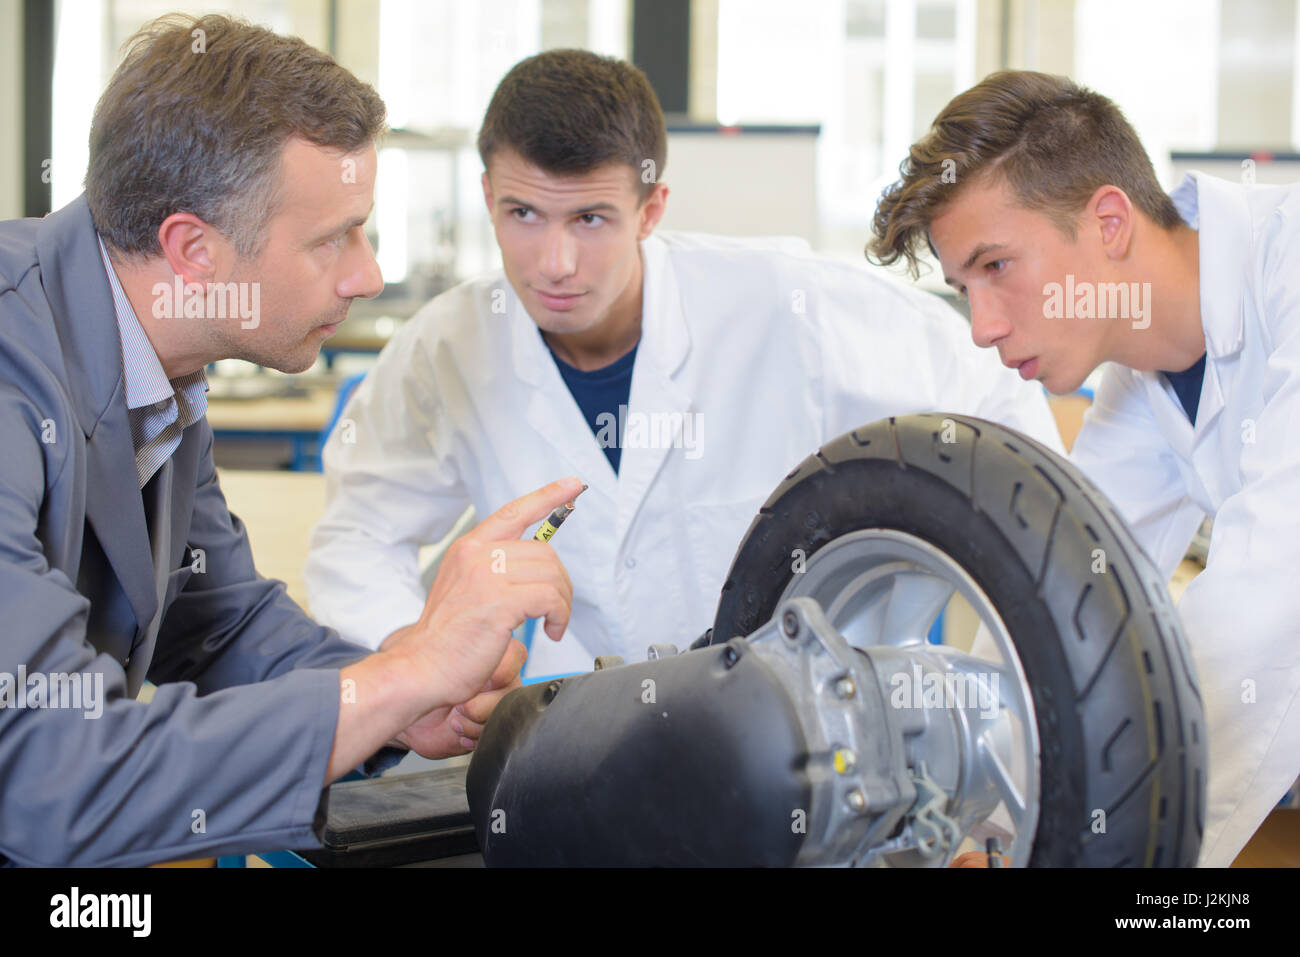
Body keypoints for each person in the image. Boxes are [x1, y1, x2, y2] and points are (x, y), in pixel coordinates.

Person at [0, 14, 575, 867]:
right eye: (331, 238)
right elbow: (53, 772)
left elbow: (223, 627)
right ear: (192, 250)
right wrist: (395, 680)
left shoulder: (162, 356)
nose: (368, 273)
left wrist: (404, 695)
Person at [304, 49, 1065, 677]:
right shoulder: (448, 348)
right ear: (487, 195)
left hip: (813, 738)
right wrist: (414, 662)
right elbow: (359, 534)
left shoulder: (789, 306)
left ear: (652, 209)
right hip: (585, 734)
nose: (555, 262)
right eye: (523, 214)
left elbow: (1001, 415)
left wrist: (971, 680)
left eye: (592, 219)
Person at [867, 69, 1300, 867]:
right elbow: (1066, 609)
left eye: (997, 266)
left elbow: (1262, 618)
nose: (983, 328)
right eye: (965, 287)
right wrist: (979, 829)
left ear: (1108, 221)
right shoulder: (1139, 378)